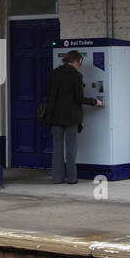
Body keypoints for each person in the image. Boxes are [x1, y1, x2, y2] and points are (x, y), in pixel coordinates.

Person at [42, 50, 103, 184]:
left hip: (55, 116)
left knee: (57, 148)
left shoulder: (54, 73)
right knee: (71, 147)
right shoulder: (76, 75)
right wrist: (95, 101)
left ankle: (57, 178)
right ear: (76, 61)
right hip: (71, 116)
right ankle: (71, 178)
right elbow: (79, 98)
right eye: (80, 62)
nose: (80, 65)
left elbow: (50, 94)